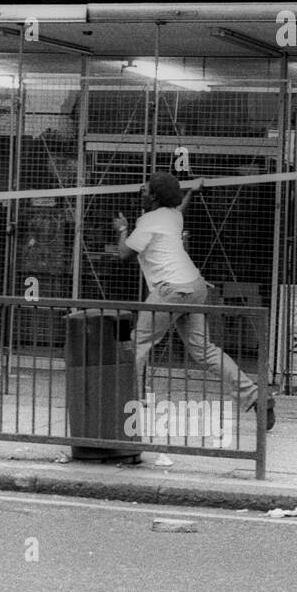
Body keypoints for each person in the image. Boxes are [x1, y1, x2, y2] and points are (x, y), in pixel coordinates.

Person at [113, 171, 274, 430]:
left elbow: (123, 255)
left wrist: (122, 230)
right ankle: (255, 395)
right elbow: (180, 207)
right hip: (195, 286)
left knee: (138, 344)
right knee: (204, 351)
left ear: (154, 197)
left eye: (143, 191)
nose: (139, 195)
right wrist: (192, 191)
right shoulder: (173, 216)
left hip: (170, 290)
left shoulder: (148, 221)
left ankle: (133, 406)